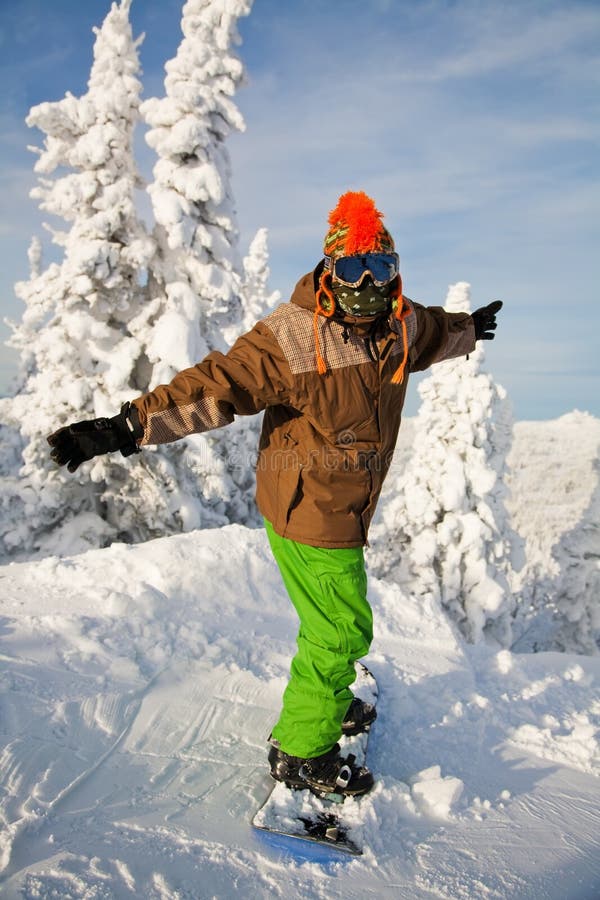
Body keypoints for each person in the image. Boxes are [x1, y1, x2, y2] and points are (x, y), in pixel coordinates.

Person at [48, 191, 502, 799]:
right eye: (352, 269)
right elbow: (216, 385)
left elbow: (429, 334)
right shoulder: (293, 338)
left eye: (380, 267)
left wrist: (467, 329)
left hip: (336, 503)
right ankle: (302, 751)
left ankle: (326, 696)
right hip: (312, 511)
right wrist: (128, 427)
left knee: (328, 620)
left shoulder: (397, 322)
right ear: (329, 271)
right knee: (340, 630)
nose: (367, 282)